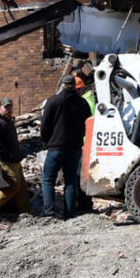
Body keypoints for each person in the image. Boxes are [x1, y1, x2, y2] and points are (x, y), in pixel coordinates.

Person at [40, 74, 92, 219]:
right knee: (70, 181)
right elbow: (88, 124)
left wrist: (46, 142)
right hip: (75, 149)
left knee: (48, 180)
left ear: (61, 85)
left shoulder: (53, 101)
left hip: (56, 148)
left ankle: (49, 212)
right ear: (75, 86)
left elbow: (44, 125)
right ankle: (70, 213)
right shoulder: (82, 103)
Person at [0, 97, 29, 217]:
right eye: (5, 107)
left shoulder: (8, 121)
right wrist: (8, 155)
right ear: (0, 108)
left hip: (14, 160)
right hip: (3, 160)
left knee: (22, 188)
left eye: (10, 107)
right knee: (13, 186)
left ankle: (26, 213)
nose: (8, 109)